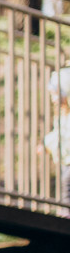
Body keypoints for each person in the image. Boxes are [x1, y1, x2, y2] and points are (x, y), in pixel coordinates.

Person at [40, 67, 70, 215]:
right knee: (65, 183)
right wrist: (46, 143)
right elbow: (58, 134)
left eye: (56, 95)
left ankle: (66, 214)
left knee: (67, 183)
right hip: (66, 160)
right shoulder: (62, 115)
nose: (53, 99)